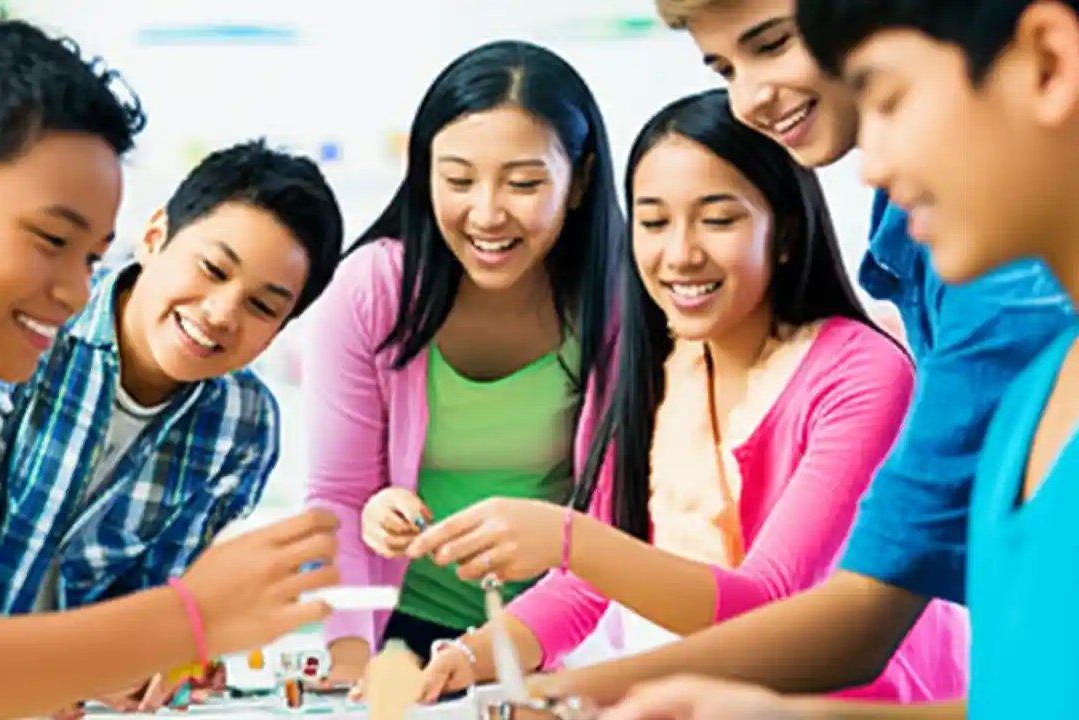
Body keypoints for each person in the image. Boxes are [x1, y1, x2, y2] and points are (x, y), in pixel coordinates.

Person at [519, 0, 1076, 706]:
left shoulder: (932, 343)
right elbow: (1029, 695)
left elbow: (842, 614)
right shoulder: (1030, 383)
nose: (871, 166)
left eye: (888, 95)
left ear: (1049, 63)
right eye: (722, 68)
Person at [0, 15, 337, 720]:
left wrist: (149, 655)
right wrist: (191, 618)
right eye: (51, 239)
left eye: (89, 257)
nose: (78, 291)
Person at [407, 88, 964, 705]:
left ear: (785, 232)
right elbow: (584, 587)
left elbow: (766, 605)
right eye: (652, 222)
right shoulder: (647, 366)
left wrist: (568, 538)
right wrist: (471, 658)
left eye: (719, 220)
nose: (680, 254)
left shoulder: (861, 373)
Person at [0, 139, 343, 711]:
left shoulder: (243, 425)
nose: (221, 313)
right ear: (154, 236)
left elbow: (161, 601)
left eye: (263, 307)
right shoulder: (24, 329)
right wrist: (53, 673)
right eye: (212, 269)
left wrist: (172, 658)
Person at [303, 39, 624, 684]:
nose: (486, 213)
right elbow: (337, 496)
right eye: (457, 179)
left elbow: (609, 528)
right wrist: (348, 661)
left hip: (557, 637)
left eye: (525, 183)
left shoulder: (618, 303)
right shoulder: (371, 290)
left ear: (581, 179)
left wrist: (492, 654)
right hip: (402, 634)